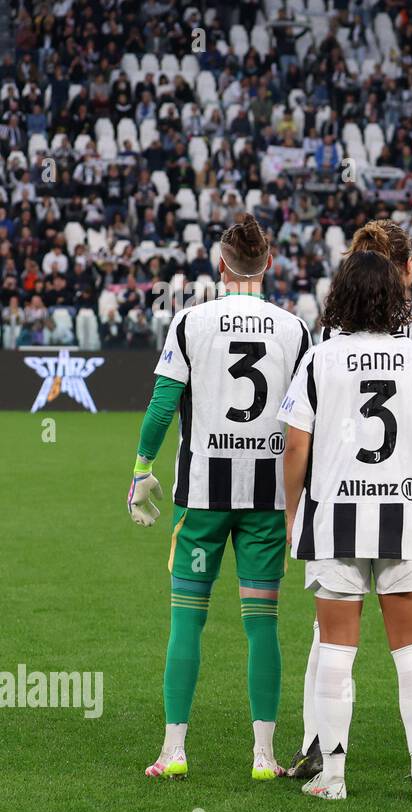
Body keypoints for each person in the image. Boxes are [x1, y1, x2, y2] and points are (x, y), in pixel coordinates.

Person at [129, 214, 311, 781]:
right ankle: (264, 756)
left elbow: (163, 405)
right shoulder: (295, 329)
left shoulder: (190, 321)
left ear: (220, 265)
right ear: (269, 264)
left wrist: (141, 469)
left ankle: (174, 752)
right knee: (262, 623)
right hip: (268, 496)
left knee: (187, 620)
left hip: (203, 493)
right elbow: (308, 421)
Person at [278, 249, 412, 801]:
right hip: (403, 519)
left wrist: (293, 510)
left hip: (335, 518)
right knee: (411, 651)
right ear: (395, 300)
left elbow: (295, 444)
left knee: (337, 651)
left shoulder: (321, 359)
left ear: (342, 296)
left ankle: (333, 777)